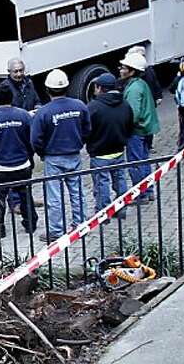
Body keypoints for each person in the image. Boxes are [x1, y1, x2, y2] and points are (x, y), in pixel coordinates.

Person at [31, 69, 91, 237]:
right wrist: (79, 142)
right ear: (67, 87)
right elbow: (87, 129)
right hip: (74, 155)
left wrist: (43, 153)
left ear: (47, 89)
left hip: (53, 158)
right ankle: (80, 225)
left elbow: (35, 139)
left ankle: (56, 231)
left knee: (54, 197)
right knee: (77, 192)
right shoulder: (80, 106)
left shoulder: (43, 112)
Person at [0, 83, 36, 236]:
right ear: (12, 98)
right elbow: (31, 141)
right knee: (26, 196)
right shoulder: (24, 115)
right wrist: (29, 158)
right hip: (22, 166)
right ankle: (30, 225)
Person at [86, 72, 133, 214]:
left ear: (100, 88)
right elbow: (130, 126)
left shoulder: (93, 107)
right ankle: (121, 208)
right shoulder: (125, 104)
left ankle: (103, 213)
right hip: (119, 151)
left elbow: (86, 130)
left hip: (100, 155)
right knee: (120, 181)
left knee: (102, 185)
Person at [119, 49, 160, 201]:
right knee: (144, 160)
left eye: (124, 68)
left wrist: (123, 127)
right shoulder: (140, 83)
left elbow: (133, 114)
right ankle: (148, 190)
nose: (121, 70)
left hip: (137, 131)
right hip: (146, 129)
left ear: (131, 71)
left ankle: (140, 193)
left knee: (136, 163)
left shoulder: (134, 89)